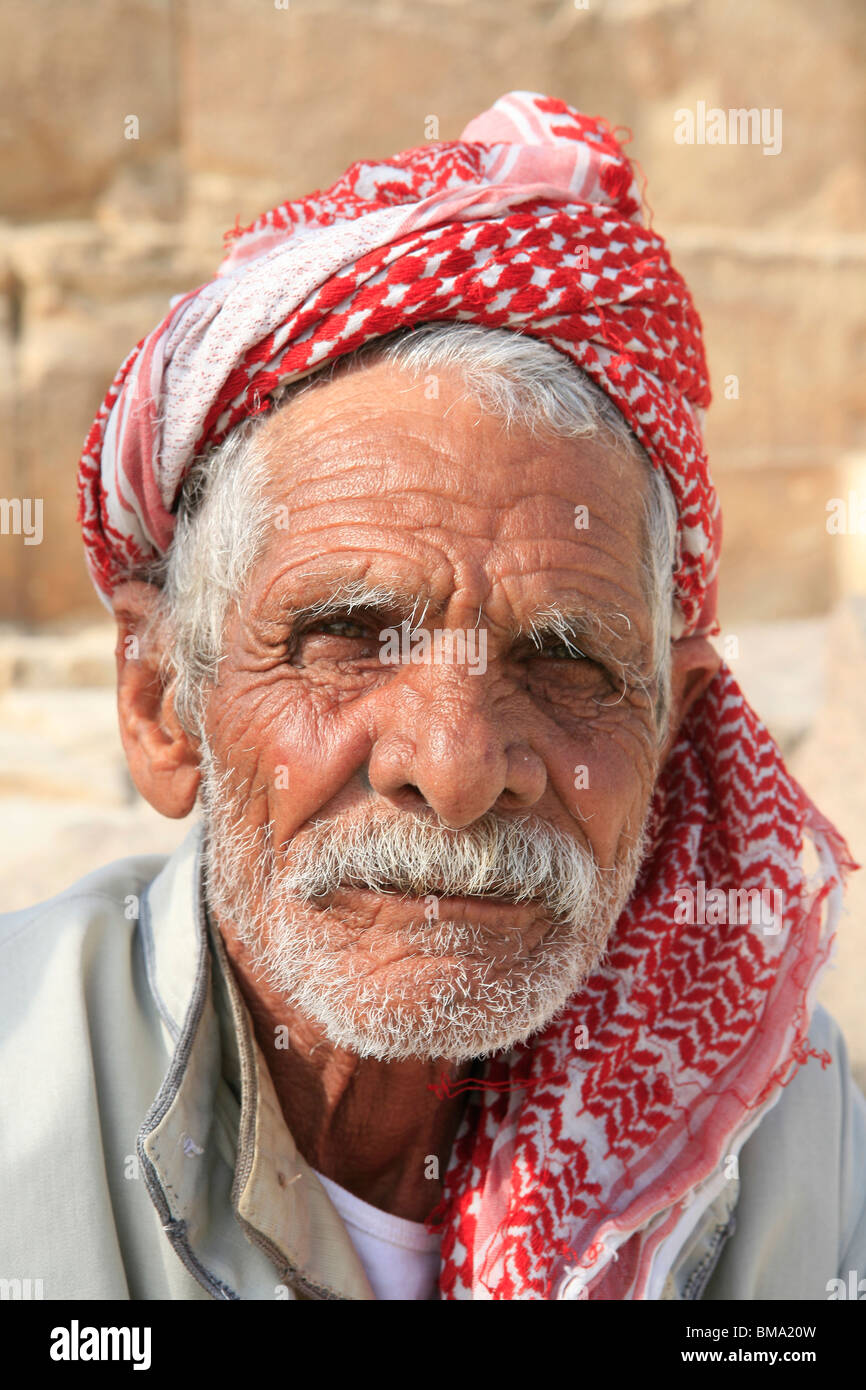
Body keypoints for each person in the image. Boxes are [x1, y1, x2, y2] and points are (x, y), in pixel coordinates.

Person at [1, 91, 863, 1302]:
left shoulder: (791, 1135)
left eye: (566, 662)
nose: (456, 768)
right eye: (346, 639)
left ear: (668, 734)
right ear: (161, 704)